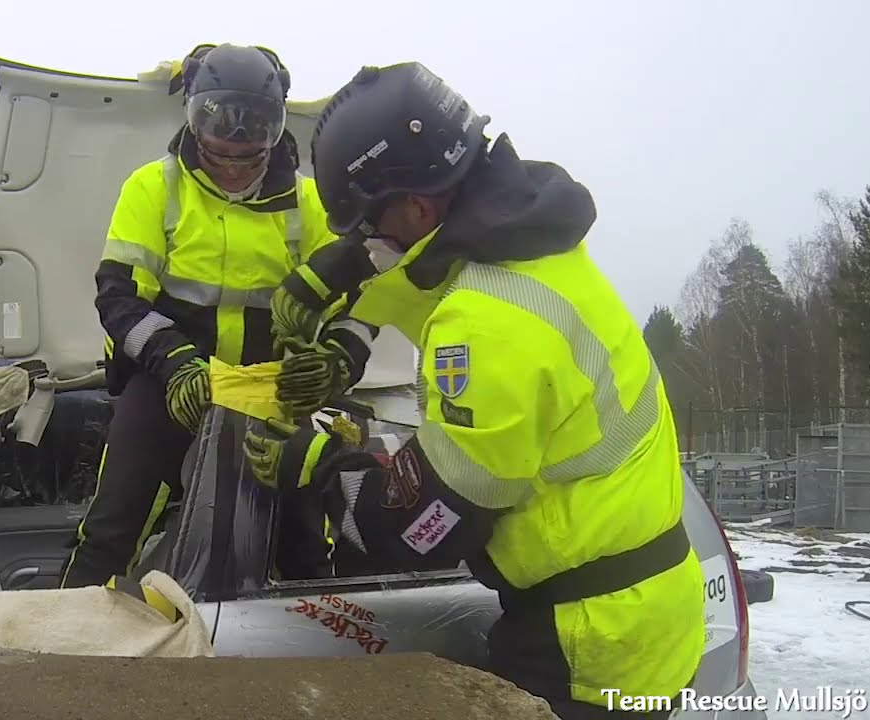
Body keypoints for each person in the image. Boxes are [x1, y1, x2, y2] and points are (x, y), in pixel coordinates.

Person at [244, 62, 706, 720]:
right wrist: (338, 272)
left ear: (420, 205)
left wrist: (319, 470)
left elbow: (425, 528)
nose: (368, 246)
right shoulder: (527, 250)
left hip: (592, 643)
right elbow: (427, 271)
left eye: (369, 227)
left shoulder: (487, 323)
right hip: (636, 608)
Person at [60, 43, 339, 589]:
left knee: (304, 538)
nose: (234, 155)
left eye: (253, 136)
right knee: (114, 524)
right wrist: (178, 364)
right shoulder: (153, 187)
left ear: (277, 129)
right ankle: (70, 648)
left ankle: (321, 658)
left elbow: (346, 301)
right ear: (193, 118)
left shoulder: (311, 205)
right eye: (220, 137)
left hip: (270, 388)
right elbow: (117, 297)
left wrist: (323, 361)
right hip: (173, 383)